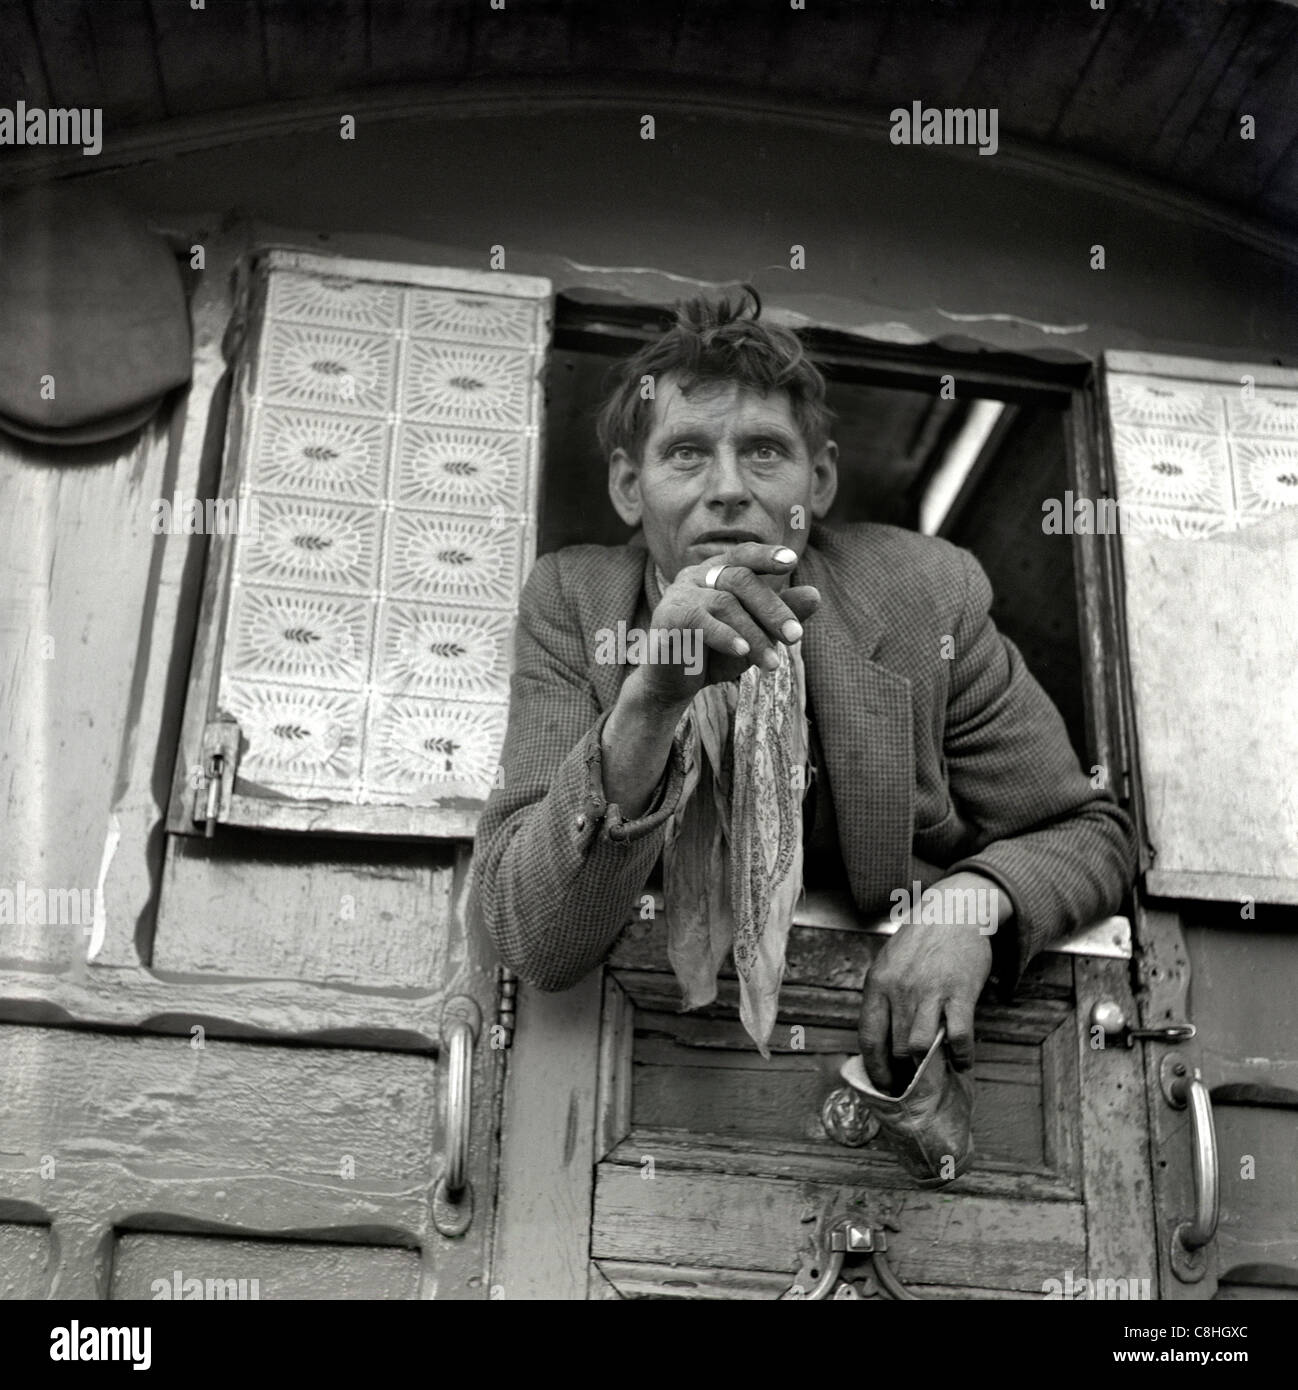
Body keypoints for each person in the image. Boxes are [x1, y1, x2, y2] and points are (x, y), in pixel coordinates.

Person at [470, 290, 1137, 1092]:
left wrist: (970, 905)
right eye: (686, 453)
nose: (727, 488)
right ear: (626, 486)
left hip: (878, 1072)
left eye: (763, 452)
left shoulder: (927, 596)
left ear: (817, 482)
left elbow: (1088, 833)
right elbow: (535, 939)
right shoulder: (573, 604)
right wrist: (650, 700)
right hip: (631, 1079)